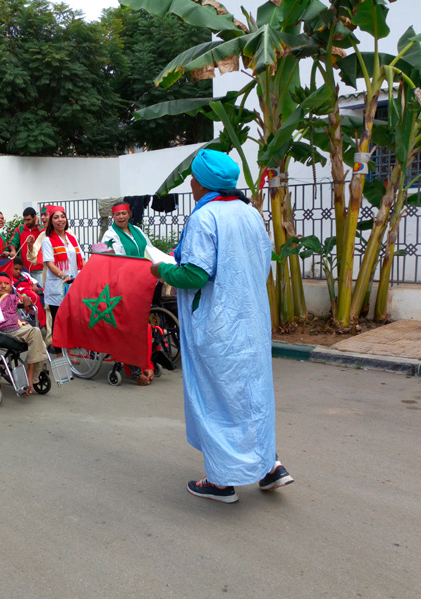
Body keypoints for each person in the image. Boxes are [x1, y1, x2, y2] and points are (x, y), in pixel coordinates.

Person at [150, 148, 293, 504]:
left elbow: (195, 274)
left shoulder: (205, 217)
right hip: (251, 320)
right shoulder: (248, 213)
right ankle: (269, 466)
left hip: (216, 324)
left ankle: (220, 481)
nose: (192, 183)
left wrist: (161, 269)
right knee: (253, 394)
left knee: (219, 399)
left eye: (194, 178)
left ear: (204, 181)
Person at [101, 202, 155, 385]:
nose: (121, 217)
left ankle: (146, 363)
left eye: (124, 213)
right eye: (117, 215)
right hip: (122, 286)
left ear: (129, 214)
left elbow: (150, 251)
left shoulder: (138, 231)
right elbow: (110, 260)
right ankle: (133, 368)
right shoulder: (110, 235)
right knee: (131, 327)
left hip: (142, 284)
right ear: (113, 217)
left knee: (143, 326)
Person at [0, 272, 47, 392]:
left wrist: (25, 298)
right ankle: (29, 375)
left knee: (36, 332)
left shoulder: (12, 298)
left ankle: (29, 373)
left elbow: (24, 299)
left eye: (7, 284)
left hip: (19, 329)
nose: (3, 286)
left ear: (11, 287)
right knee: (37, 335)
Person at [41, 205, 84, 357]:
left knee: (71, 321)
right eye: (56, 217)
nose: (60, 220)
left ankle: (69, 352)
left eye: (62, 217)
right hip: (57, 286)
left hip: (72, 284)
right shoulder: (48, 240)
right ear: (51, 221)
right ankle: (60, 354)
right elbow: (49, 263)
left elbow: (81, 259)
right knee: (59, 321)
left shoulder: (72, 239)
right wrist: (62, 276)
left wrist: (84, 274)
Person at [7, 207, 45, 277]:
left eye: (28, 220)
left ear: (35, 217)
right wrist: (13, 250)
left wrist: (37, 225)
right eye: (25, 220)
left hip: (40, 269)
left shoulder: (42, 229)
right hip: (24, 269)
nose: (26, 222)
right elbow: (13, 242)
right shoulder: (20, 229)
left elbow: (46, 237)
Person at [11, 258, 46, 329]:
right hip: (22, 293)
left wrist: (34, 286)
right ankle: (42, 322)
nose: (18, 271)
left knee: (45, 294)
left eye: (20, 269)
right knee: (34, 297)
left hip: (31, 290)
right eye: (16, 269)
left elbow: (35, 283)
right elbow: (13, 290)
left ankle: (44, 320)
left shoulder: (25, 274)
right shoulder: (9, 278)